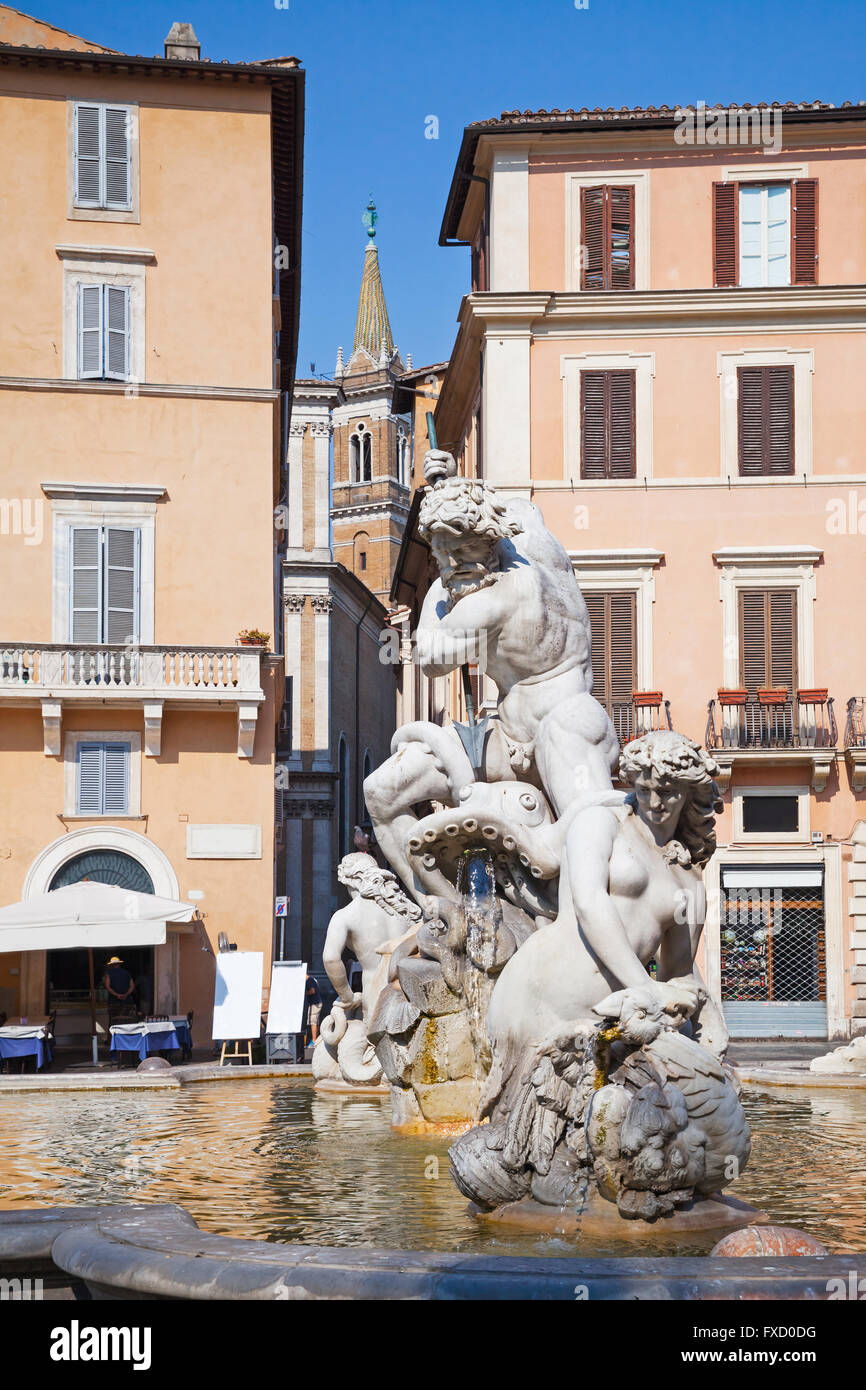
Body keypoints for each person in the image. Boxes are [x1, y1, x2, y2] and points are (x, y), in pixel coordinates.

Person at [103, 956, 135, 1023]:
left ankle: (115, 1033)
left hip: (114, 1001)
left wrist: (117, 995)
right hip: (126, 1000)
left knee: (114, 1020)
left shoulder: (109, 973)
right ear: (119, 964)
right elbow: (132, 986)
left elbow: (107, 986)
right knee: (126, 1020)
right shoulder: (126, 973)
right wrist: (125, 995)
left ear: (111, 965)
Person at [304, 973, 322, 1046]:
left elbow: (312, 991)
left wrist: (304, 993)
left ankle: (314, 1040)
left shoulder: (309, 980)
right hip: (317, 1003)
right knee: (315, 1021)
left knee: (313, 1022)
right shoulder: (312, 979)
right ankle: (316, 1039)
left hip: (315, 1003)